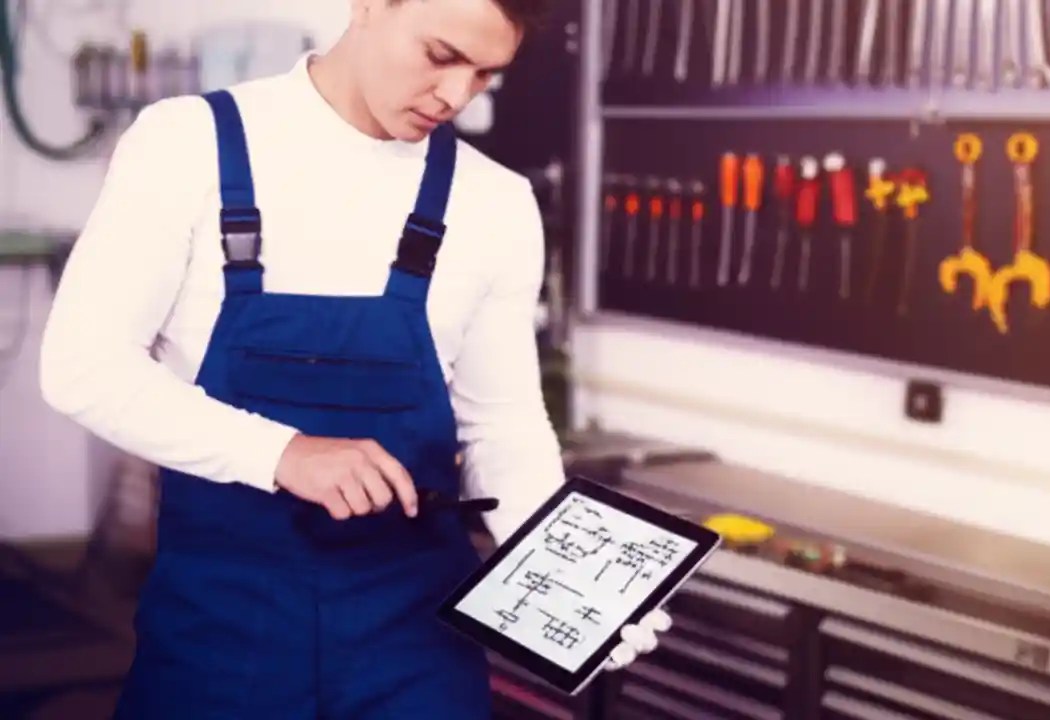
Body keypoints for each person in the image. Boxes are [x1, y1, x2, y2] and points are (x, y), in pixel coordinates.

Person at [38, 0, 669, 717]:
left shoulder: (495, 204)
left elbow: (503, 431)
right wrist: (286, 453)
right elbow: (84, 366)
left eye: (486, 75)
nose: (456, 96)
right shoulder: (186, 145)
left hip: (413, 644)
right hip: (219, 633)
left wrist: (572, 577)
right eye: (440, 55)